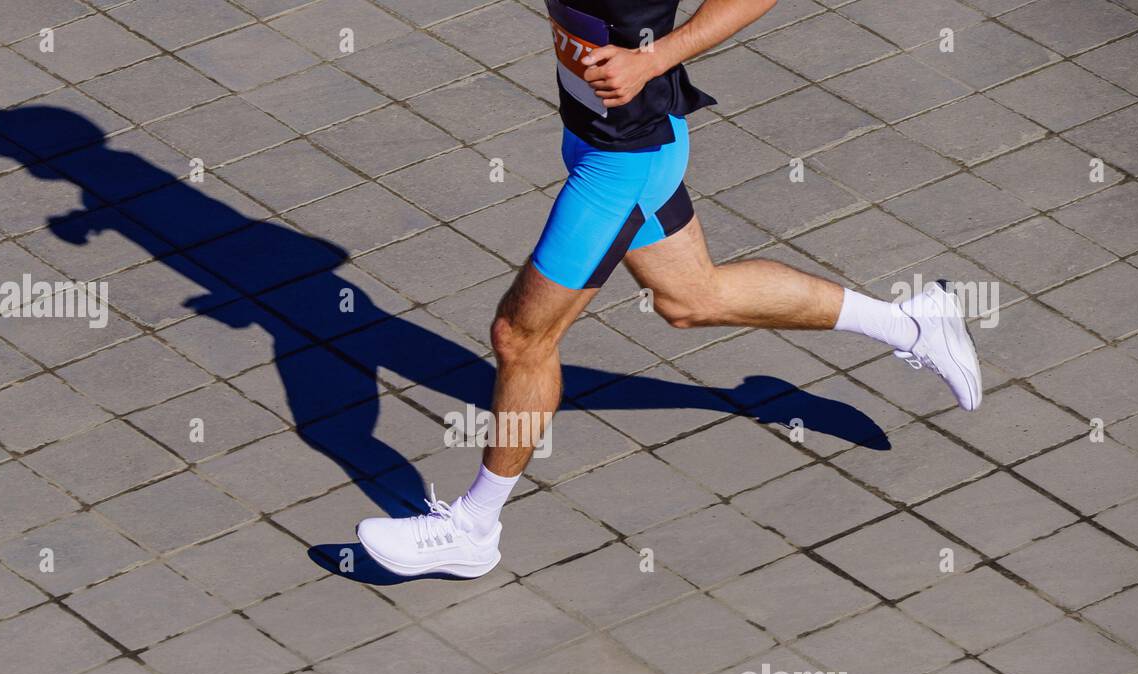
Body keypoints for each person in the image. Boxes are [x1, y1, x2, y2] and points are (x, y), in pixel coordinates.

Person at [357, 0, 981, 578]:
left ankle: (474, 526)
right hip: (594, 135)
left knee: (521, 338)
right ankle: (912, 323)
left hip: (623, 159)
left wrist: (653, 58)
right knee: (691, 299)